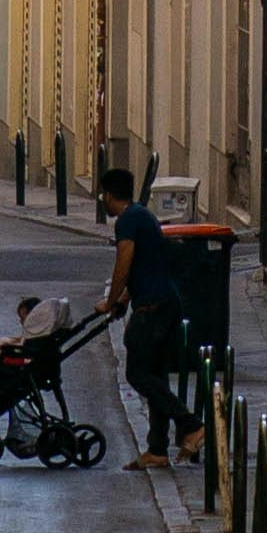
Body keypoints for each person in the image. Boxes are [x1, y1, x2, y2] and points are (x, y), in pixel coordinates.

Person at [96, 161, 191, 460]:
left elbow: (125, 262)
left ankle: (191, 424)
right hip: (165, 302)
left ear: (110, 195)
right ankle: (158, 449)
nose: (103, 202)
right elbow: (143, 267)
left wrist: (110, 301)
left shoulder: (127, 221)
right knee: (156, 376)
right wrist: (124, 300)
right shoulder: (143, 215)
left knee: (137, 374)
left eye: (103, 196)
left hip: (152, 308)